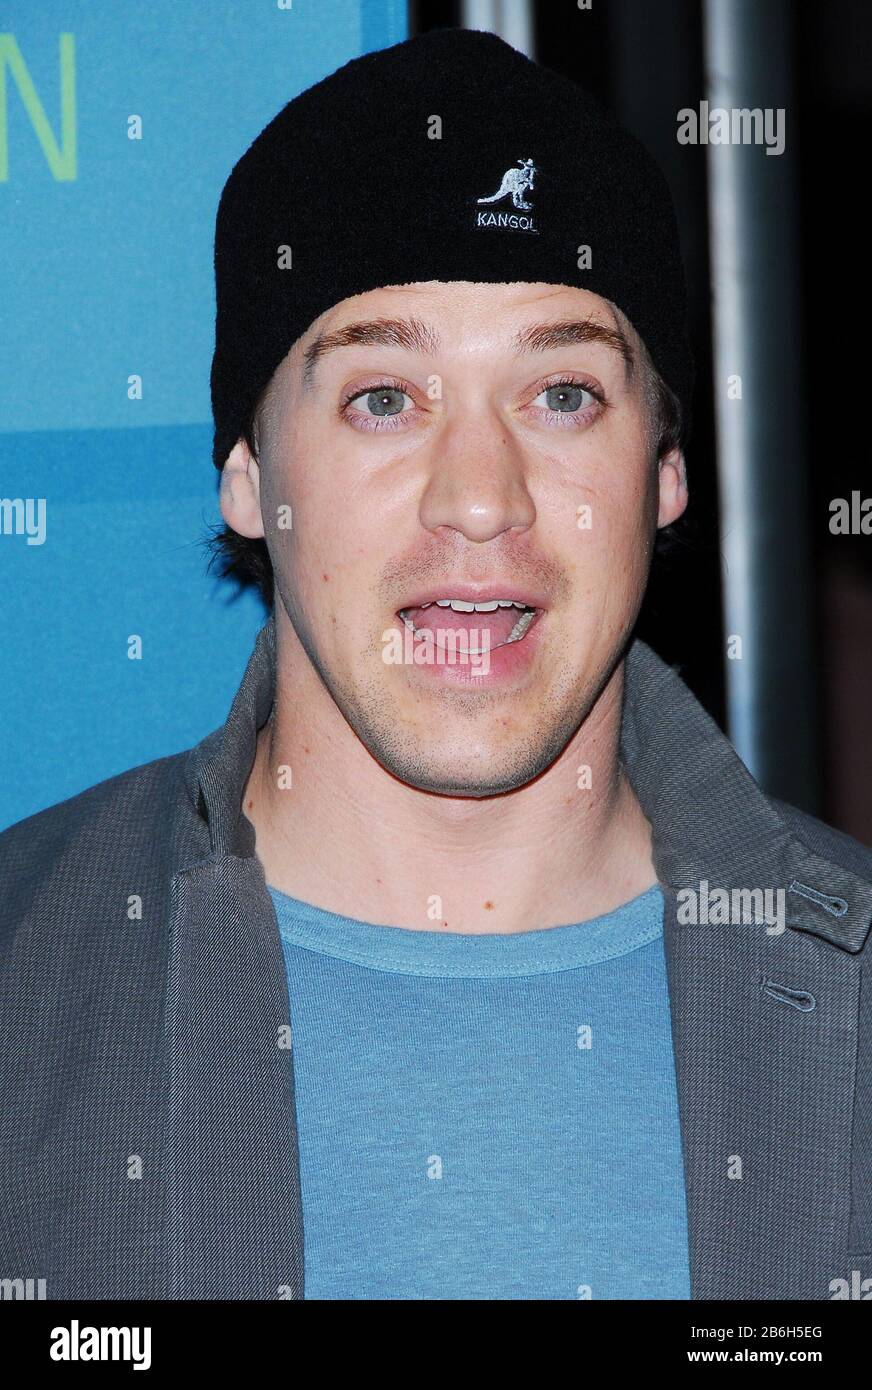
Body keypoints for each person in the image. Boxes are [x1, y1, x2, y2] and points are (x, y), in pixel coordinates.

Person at [2, 27, 870, 1303]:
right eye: (382, 398)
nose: (477, 500)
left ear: (664, 476)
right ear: (247, 473)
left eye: (561, 392)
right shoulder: (26, 980)